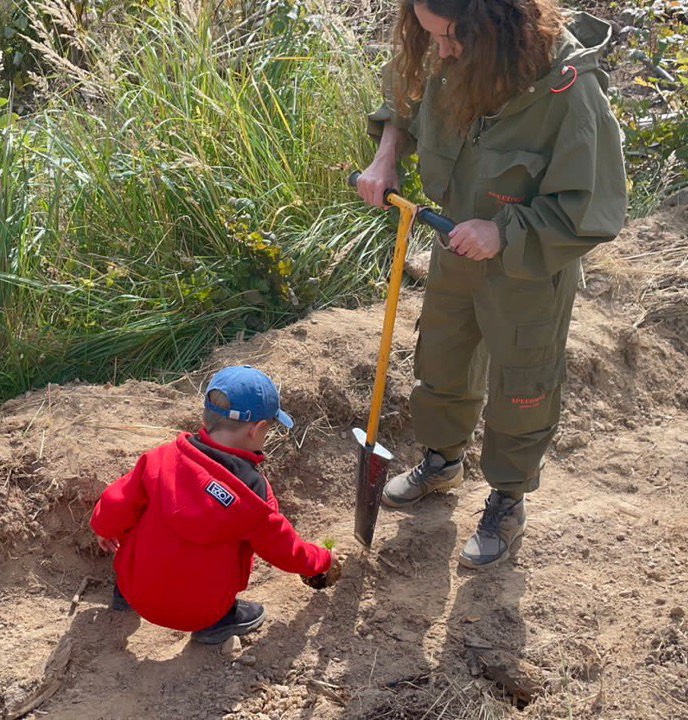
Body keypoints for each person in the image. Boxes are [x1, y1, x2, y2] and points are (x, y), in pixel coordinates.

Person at [356, 0, 627, 569]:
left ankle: (507, 499)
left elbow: (592, 209)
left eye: (452, 38)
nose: (442, 51)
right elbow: (404, 102)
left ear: (497, 27)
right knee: (443, 359)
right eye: (430, 37)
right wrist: (386, 157)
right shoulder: (446, 50)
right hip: (454, 243)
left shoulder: (568, 89)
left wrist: (504, 231)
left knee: (522, 385)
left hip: (529, 265)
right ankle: (441, 462)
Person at [91, 365, 341, 644]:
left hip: (133, 588)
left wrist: (104, 528)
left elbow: (116, 502)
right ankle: (218, 624)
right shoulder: (253, 495)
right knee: (216, 598)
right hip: (198, 613)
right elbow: (286, 550)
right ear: (258, 429)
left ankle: (124, 599)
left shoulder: (160, 459)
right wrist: (322, 560)